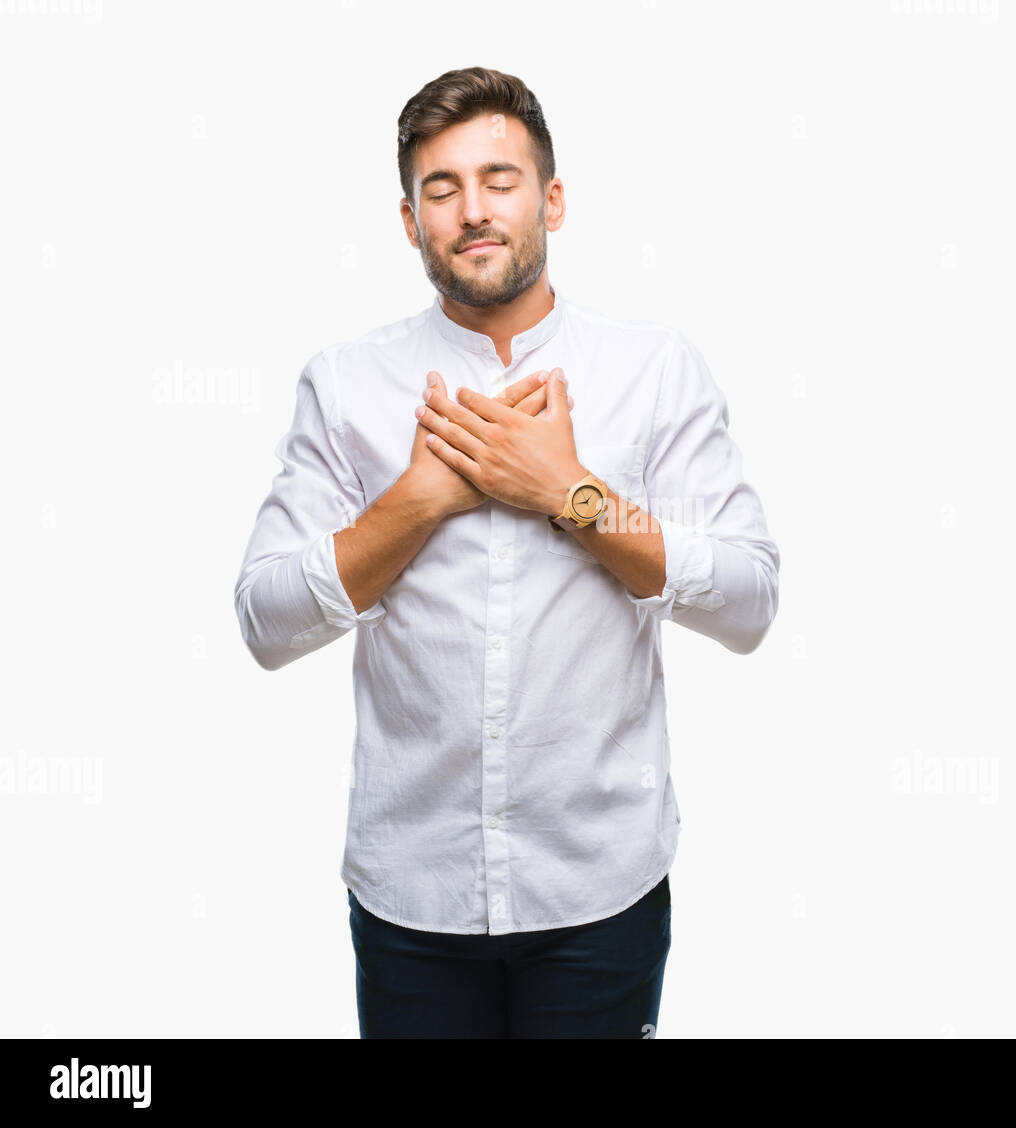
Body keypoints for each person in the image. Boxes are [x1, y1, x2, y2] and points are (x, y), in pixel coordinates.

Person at [233, 66, 780, 1038]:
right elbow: (265, 621)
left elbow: (746, 603)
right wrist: (417, 502)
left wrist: (565, 495)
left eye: (499, 179)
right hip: (411, 894)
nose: (472, 210)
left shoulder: (652, 372)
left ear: (551, 200)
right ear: (408, 221)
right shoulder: (345, 382)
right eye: (439, 188)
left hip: (600, 892)